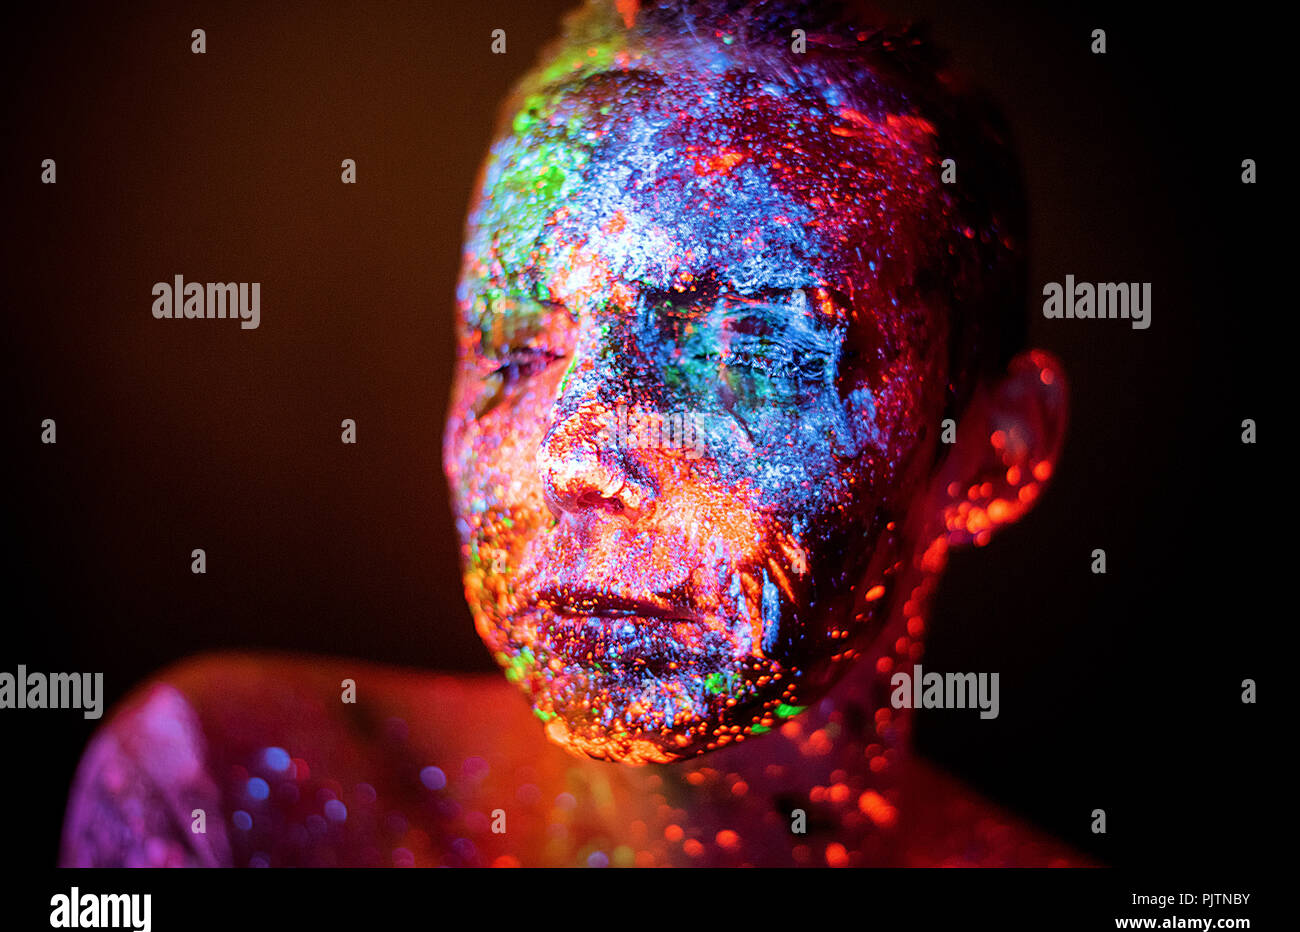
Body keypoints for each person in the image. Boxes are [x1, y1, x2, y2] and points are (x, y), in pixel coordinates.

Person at [62, 0, 1075, 867]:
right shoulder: (221, 798)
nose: (573, 457)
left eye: (742, 354)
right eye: (514, 351)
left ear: (995, 453)